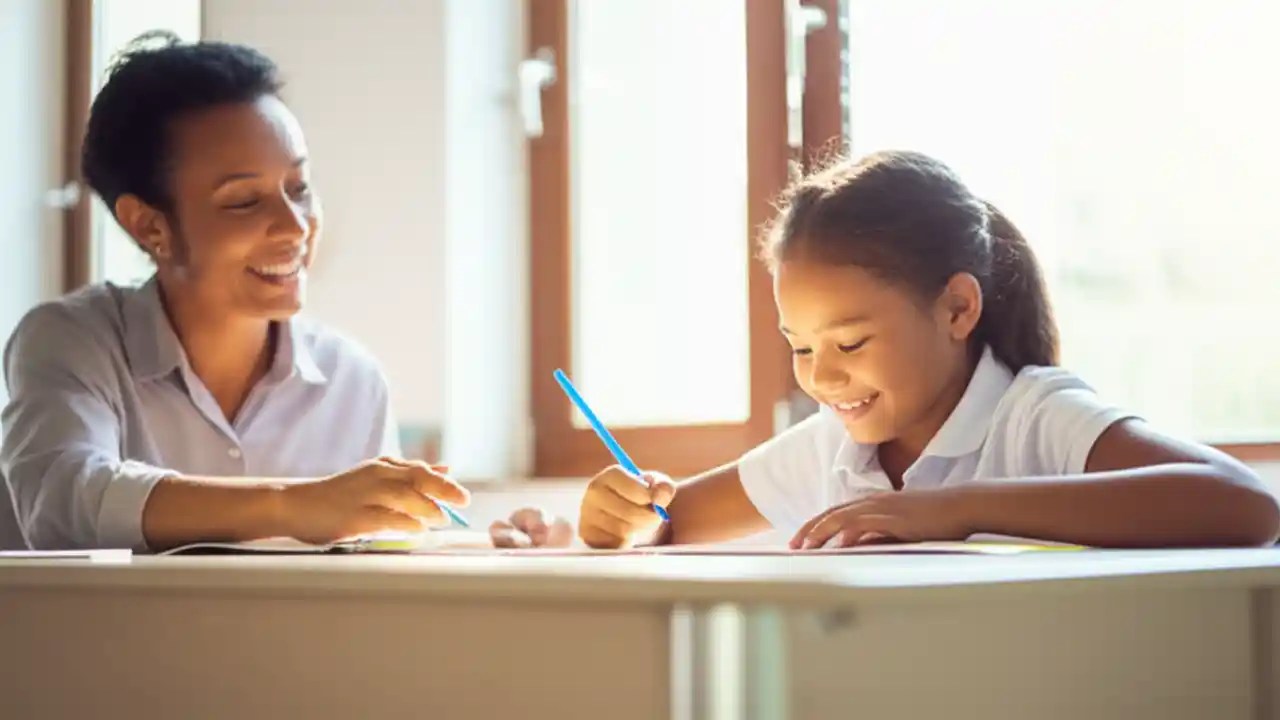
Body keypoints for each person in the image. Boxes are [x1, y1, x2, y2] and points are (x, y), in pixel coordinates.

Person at [494, 150, 1279, 550]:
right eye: (800, 347)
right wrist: (615, 520)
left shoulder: (1032, 414)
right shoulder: (832, 448)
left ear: (957, 307)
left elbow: (1245, 506)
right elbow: (671, 520)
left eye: (851, 341)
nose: (822, 375)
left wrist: (954, 509)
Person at [1, 33, 466, 550]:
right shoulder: (72, 342)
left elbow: (377, 569)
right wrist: (295, 505)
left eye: (299, 188)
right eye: (245, 201)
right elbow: (62, 504)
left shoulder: (352, 382)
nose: (294, 227)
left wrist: (508, 544)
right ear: (151, 227)